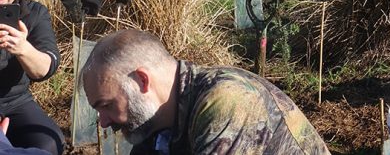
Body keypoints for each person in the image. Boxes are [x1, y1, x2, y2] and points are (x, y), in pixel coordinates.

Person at [82, 30, 330, 154]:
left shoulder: (228, 101)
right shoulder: (155, 126)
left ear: (142, 81)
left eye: (106, 104)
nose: (103, 122)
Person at [0, 0, 62, 155]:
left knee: (50, 143)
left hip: (15, 102)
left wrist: (23, 48)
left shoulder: (34, 13)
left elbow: (47, 67)